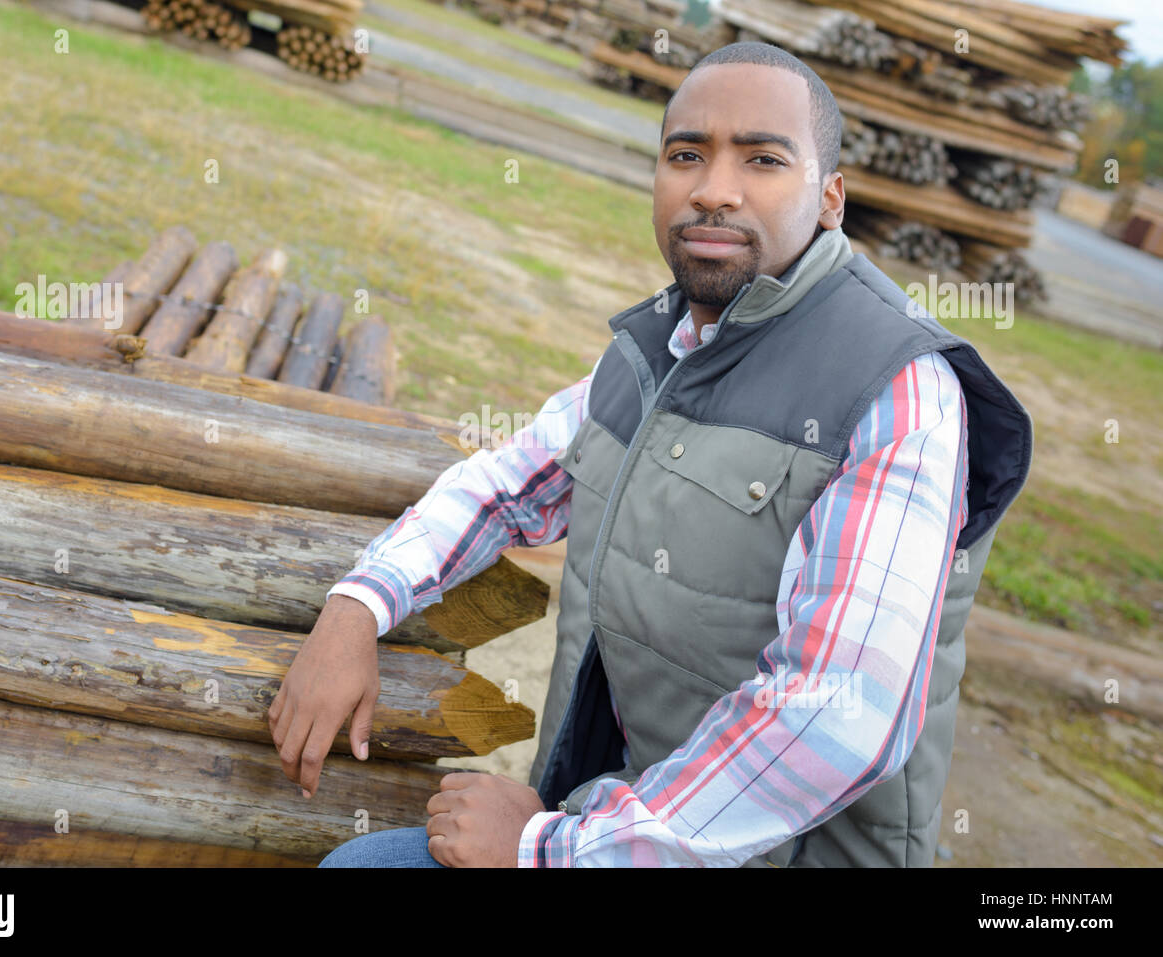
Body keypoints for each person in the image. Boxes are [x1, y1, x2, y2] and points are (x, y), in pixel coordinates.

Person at [268, 40, 1033, 867]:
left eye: (764, 159)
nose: (712, 189)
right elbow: (503, 486)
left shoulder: (898, 388)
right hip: (613, 822)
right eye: (686, 154)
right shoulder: (663, 348)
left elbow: (837, 713)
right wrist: (356, 606)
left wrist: (548, 849)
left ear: (829, 198)